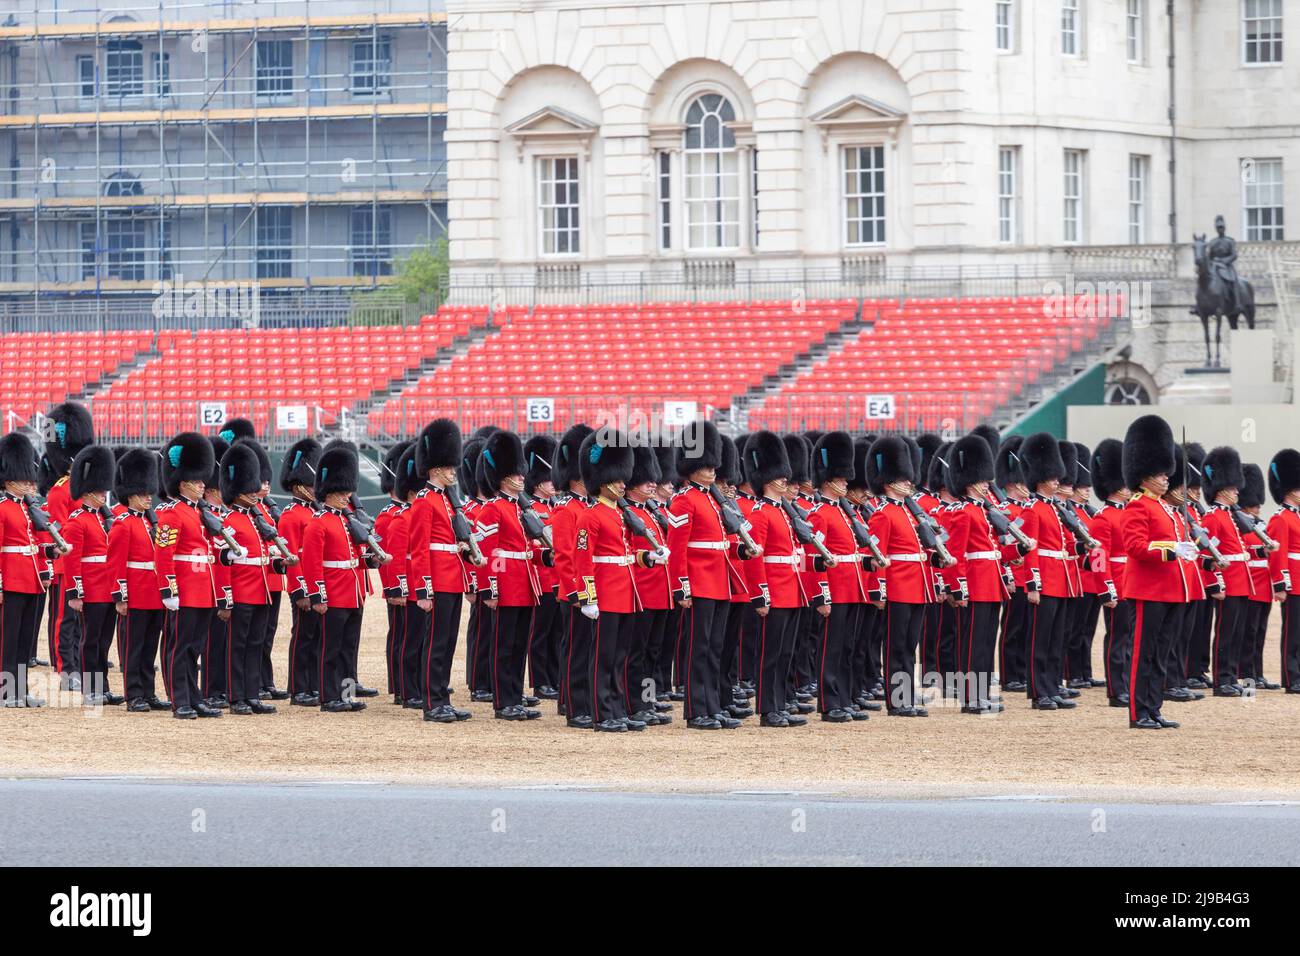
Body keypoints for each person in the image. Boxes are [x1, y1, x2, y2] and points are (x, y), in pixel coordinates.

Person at [667, 421, 758, 730]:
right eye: (703, 465)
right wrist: (682, 586)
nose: (710, 470)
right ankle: (697, 710)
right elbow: (677, 549)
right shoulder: (684, 500)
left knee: (715, 648)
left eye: (711, 464)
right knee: (699, 648)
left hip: (720, 581)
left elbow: (721, 544)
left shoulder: (712, 499)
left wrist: (743, 552)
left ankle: (713, 705)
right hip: (700, 582)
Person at [575, 430, 666, 732]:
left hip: (626, 593)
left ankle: (617, 707)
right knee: (602, 657)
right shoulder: (592, 515)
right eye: (618, 479)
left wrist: (649, 558)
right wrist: (588, 597)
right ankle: (602, 713)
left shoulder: (620, 514)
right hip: (605, 594)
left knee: (619, 657)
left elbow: (627, 555)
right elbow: (583, 559)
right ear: (603, 480)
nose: (623, 484)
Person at [1120, 414, 1197, 730]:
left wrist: (1188, 549)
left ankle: (1154, 708)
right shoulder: (1138, 506)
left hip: (1171, 590)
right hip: (1148, 591)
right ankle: (1139, 713)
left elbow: (1180, 542)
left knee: (1161, 654)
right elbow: (1136, 547)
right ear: (1143, 477)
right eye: (1159, 474)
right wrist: (1170, 549)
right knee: (1144, 653)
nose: (1167, 478)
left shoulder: (1167, 508)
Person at [941, 435, 1027, 714]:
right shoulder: (964, 512)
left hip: (991, 583)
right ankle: (970, 697)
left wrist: (1018, 552)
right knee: (973, 643)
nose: (986, 484)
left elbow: (994, 552)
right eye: (981, 481)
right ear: (970, 482)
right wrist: (959, 588)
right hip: (976, 585)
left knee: (986, 642)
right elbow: (956, 554)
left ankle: (982, 693)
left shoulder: (982, 511)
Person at [866, 436, 947, 716]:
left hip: (918, 585)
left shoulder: (913, 514)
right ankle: (897, 700)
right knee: (896, 646)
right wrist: (879, 589)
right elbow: (877, 556)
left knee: (909, 646)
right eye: (902, 479)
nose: (909, 483)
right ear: (888, 482)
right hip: (898, 587)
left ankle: (907, 693)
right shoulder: (883, 514)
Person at [742, 431, 812, 727]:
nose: (785, 480)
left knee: (785, 652)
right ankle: (768, 708)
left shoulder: (784, 512)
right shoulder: (761, 514)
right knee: (770, 654)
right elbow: (754, 555)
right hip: (775, 590)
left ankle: (780, 702)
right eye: (779, 476)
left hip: (792, 589)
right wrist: (761, 594)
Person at [408, 419, 476, 723]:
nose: (453, 472)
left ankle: (442, 696)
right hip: (436, 579)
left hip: (451, 577)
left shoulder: (447, 501)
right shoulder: (425, 501)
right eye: (449, 467)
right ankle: (432, 702)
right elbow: (419, 548)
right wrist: (423, 589)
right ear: (436, 468)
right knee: (435, 643)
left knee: (447, 643)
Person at [474, 429, 544, 721]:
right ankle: (503, 701)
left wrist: (546, 556)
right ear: (503, 477)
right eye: (515, 474)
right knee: (503, 647)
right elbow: (487, 553)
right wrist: (491, 588)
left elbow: (528, 549)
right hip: (506, 585)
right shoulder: (493, 509)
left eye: (521, 473)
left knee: (518, 646)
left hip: (526, 584)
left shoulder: (520, 509)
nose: (521, 478)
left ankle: (515, 695)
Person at [299, 444, 374, 713]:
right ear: (329, 492)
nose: (347, 496)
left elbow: (355, 557)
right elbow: (311, 564)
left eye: (347, 491)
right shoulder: (318, 523)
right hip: (334, 592)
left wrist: (372, 560)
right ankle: (329, 697)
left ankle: (346, 694)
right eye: (341, 492)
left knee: (348, 648)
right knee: (330, 649)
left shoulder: (347, 520)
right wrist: (318, 596)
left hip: (353, 591)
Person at [808, 431, 872, 723]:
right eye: (842, 477)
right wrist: (821, 593)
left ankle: (844, 697)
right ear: (828, 478)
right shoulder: (820, 513)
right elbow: (815, 558)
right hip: (835, 587)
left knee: (847, 647)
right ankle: (829, 701)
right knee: (831, 649)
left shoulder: (845, 512)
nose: (847, 481)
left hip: (853, 586)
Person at [1015, 433, 1081, 711]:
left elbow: (1065, 544)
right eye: (1052, 477)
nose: (1058, 481)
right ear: (1040, 477)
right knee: (1039, 640)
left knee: (1057, 638)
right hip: (1045, 579)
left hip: (1061, 578)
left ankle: (1052, 686)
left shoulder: (1056, 509)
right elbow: (1029, 549)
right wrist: (1033, 584)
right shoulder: (1033, 509)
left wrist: (1082, 544)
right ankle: (1038, 690)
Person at [218, 442, 278, 717]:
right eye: (249, 488)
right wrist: (226, 596)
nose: (256, 493)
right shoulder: (228, 519)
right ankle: (236, 695)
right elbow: (223, 561)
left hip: (261, 589)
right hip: (241, 590)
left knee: (256, 644)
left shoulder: (255, 519)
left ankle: (252, 694)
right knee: (237, 645)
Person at [41, 402, 95, 686]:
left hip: (86, 563)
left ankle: (76, 664)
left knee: (78, 621)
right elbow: (61, 530)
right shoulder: (60, 490)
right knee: (64, 620)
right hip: (67, 562)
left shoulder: (83, 489)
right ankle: (64, 668)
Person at [62, 445, 119, 704]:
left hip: (107, 587)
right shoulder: (77, 521)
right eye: (99, 491)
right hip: (92, 588)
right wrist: (75, 593)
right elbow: (72, 561)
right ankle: (90, 689)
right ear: (87, 492)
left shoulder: (104, 519)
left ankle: (103, 686)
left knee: (104, 641)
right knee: (90, 640)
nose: (104, 494)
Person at [623, 442, 673, 726]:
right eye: (646, 479)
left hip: (660, 591)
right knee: (637, 653)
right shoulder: (628, 514)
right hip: (641, 590)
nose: (653, 484)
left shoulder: (652, 512)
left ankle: (648, 699)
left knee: (653, 653)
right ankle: (635, 703)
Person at [1200, 446, 1255, 697]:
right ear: (1221, 489)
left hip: (1241, 580)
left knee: (1236, 632)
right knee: (1225, 632)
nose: (1236, 492)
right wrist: (1215, 583)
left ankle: (1231, 676)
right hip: (1229, 582)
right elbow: (1208, 554)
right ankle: (1222, 680)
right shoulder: (1213, 518)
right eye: (1232, 488)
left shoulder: (1231, 516)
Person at [0, 432, 49, 707]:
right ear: (9, 481)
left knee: (24, 640)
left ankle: (20, 689)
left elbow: (33, 543)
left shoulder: (30, 509)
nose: (29, 483)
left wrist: (51, 551)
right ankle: (6, 691)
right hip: (11, 580)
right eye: (23, 479)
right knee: (8, 640)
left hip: (31, 580)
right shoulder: (3, 509)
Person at [550, 424, 594, 727]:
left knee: (585, 649)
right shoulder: (567, 509)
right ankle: (574, 705)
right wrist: (578, 592)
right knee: (576, 651)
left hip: (587, 591)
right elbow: (565, 557)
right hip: (574, 593)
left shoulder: (585, 507)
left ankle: (577, 700)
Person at [1087, 439, 1133, 708]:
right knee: (1117, 638)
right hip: (1116, 584)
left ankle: (1127, 683)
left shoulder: (1128, 513)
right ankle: (1117, 689)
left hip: (1133, 582)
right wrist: (1106, 589)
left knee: (1129, 639)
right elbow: (1098, 557)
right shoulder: (1103, 517)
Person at [278, 438, 323, 706]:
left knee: (317, 637)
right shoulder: (290, 516)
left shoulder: (315, 513)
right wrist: (300, 590)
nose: (313, 489)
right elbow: (291, 558)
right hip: (302, 586)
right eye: (309, 485)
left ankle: (313, 684)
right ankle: (298, 687)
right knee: (303, 636)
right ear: (298, 487)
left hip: (317, 585)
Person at [522, 434, 561, 701]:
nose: (553, 483)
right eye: (549, 479)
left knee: (557, 632)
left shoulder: (556, 506)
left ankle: (555, 676)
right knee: (540, 634)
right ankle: (540, 680)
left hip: (558, 577)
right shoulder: (530, 509)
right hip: (540, 576)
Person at [375, 441, 412, 702]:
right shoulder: (389, 516)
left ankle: (411, 682)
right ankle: (400, 685)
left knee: (413, 637)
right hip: (400, 584)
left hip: (415, 581)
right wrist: (392, 588)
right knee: (401, 636)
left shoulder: (408, 512)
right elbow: (387, 559)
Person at [994, 436, 1032, 693]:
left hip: (1028, 576)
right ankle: (1009, 674)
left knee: (1027, 628)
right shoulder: (1004, 510)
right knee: (1012, 627)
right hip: (1014, 576)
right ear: (1014, 483)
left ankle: (1022, 671)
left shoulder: (1026, 508)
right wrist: (1007, 574)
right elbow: (1003, 545)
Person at [1266, 449, 1300, 693]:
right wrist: (1280, 584)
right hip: (1294, 582)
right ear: (1290, 490)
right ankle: (1291, 677)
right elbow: (1278, 554)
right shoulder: (1281, 518)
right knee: (1292, 634)